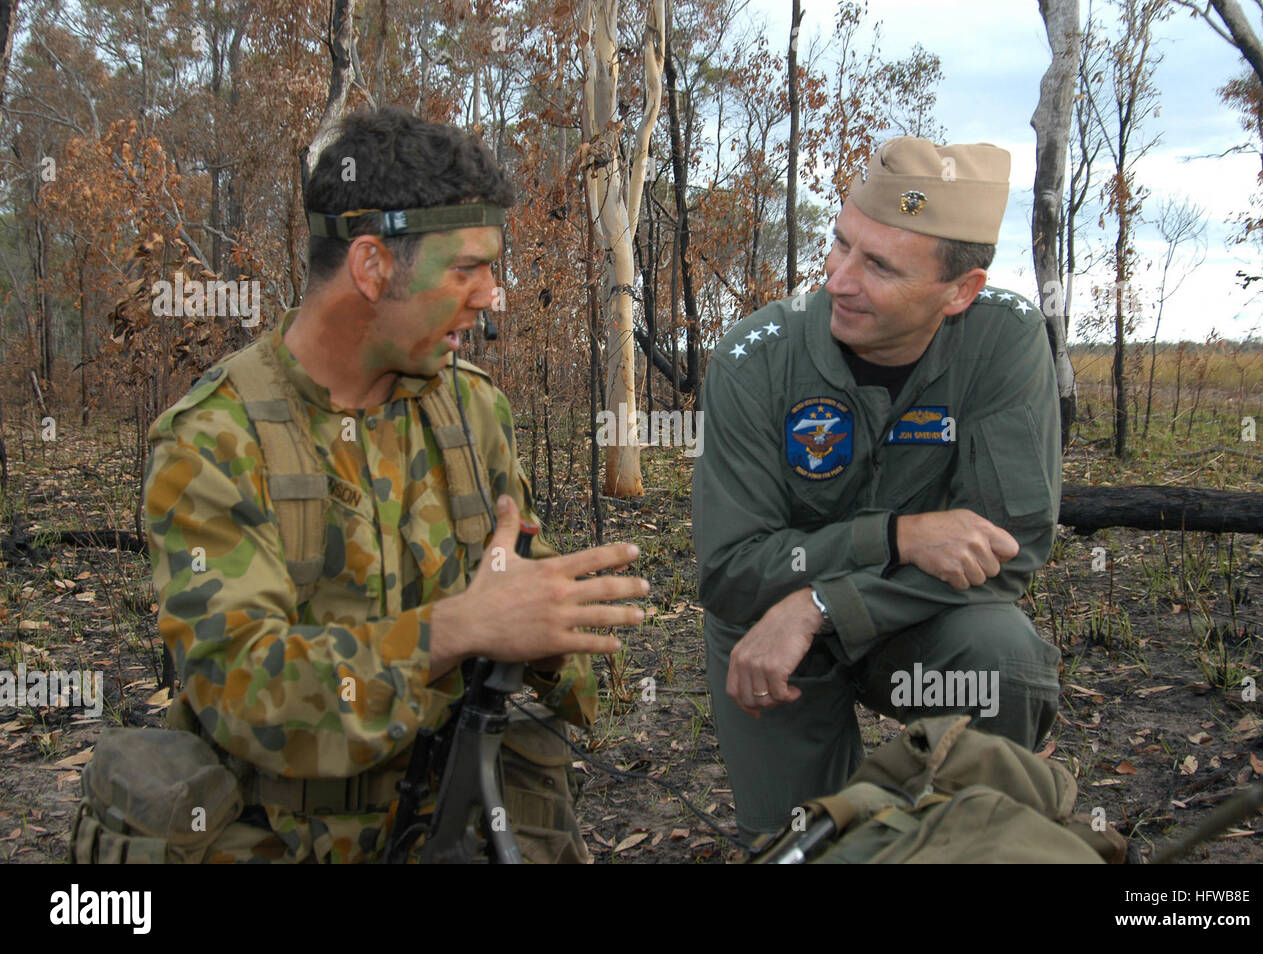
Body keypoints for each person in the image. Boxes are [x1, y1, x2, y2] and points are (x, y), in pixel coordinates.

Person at [141, 106, 648, 862]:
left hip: (458, 825)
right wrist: (458, 629)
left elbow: (556, 649)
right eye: (467, 269)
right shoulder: (214, 441)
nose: (491, 295)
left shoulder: (472, 410)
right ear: (372, 266)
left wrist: (542, 634)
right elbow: (240, 692)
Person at [692, 136, 1063, 840]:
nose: (838, 279)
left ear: (960, 291)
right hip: (772, 635)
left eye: (880, 266)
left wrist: (823, 603)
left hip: (917, 620)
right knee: (802, 845)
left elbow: (1009, 548)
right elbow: (731, 569)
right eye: (842, 244)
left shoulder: (1003, 341)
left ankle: (973, 839)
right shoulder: (755, 359)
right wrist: (898, 536)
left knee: (1001, 657)